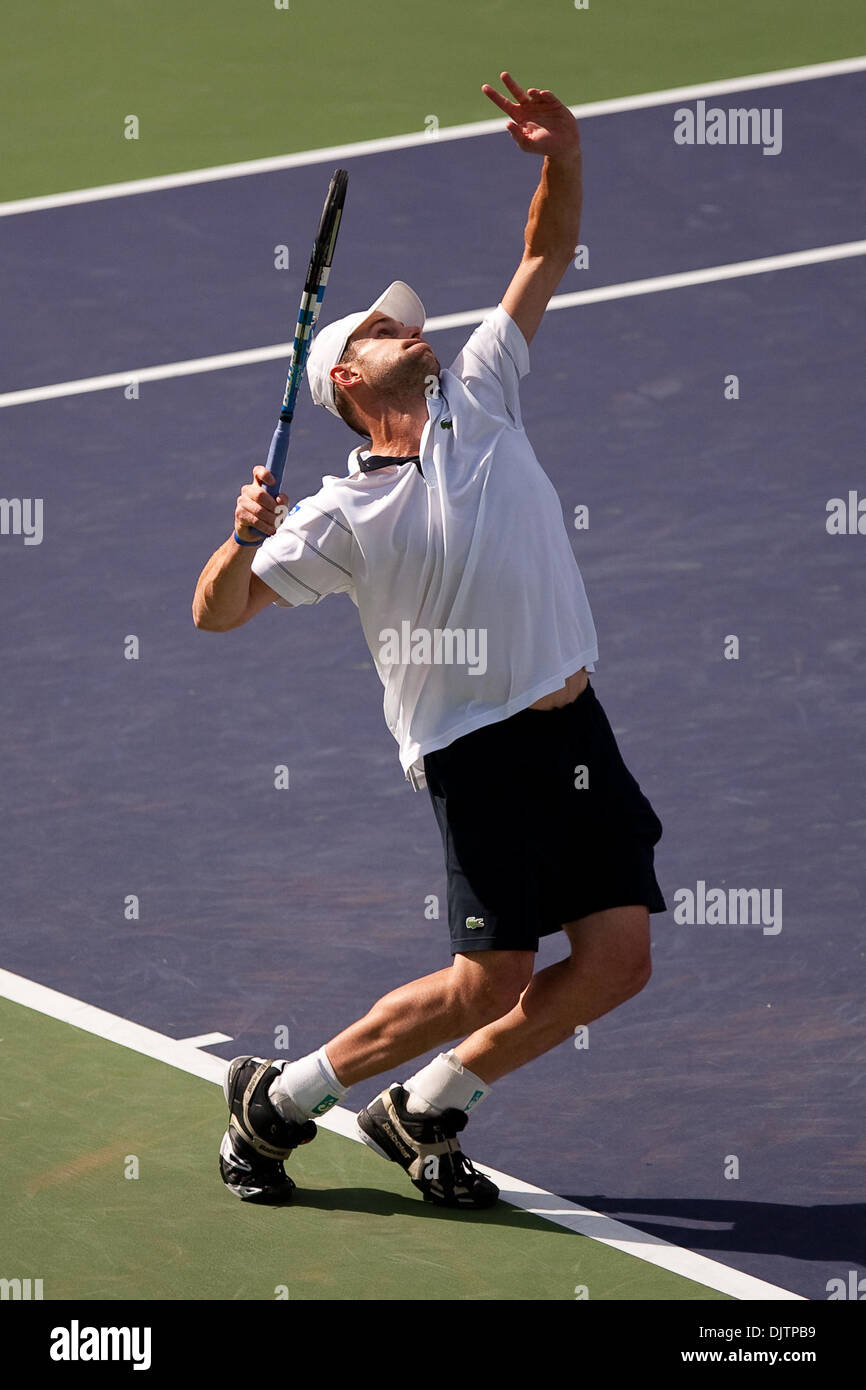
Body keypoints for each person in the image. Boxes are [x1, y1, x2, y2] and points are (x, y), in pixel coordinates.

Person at [192, 73, 666, 1210]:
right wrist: (237, 538)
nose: (418, 328)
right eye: (387, 328)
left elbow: (543, 255)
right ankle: (280, 1099)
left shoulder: (484, 392)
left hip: (573, 723)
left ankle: (427, 1104)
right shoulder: (336, 519)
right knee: (485, 975)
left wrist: (562, 155)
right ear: (349, 378)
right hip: (475, 750)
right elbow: (216, 612)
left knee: (616, 961)